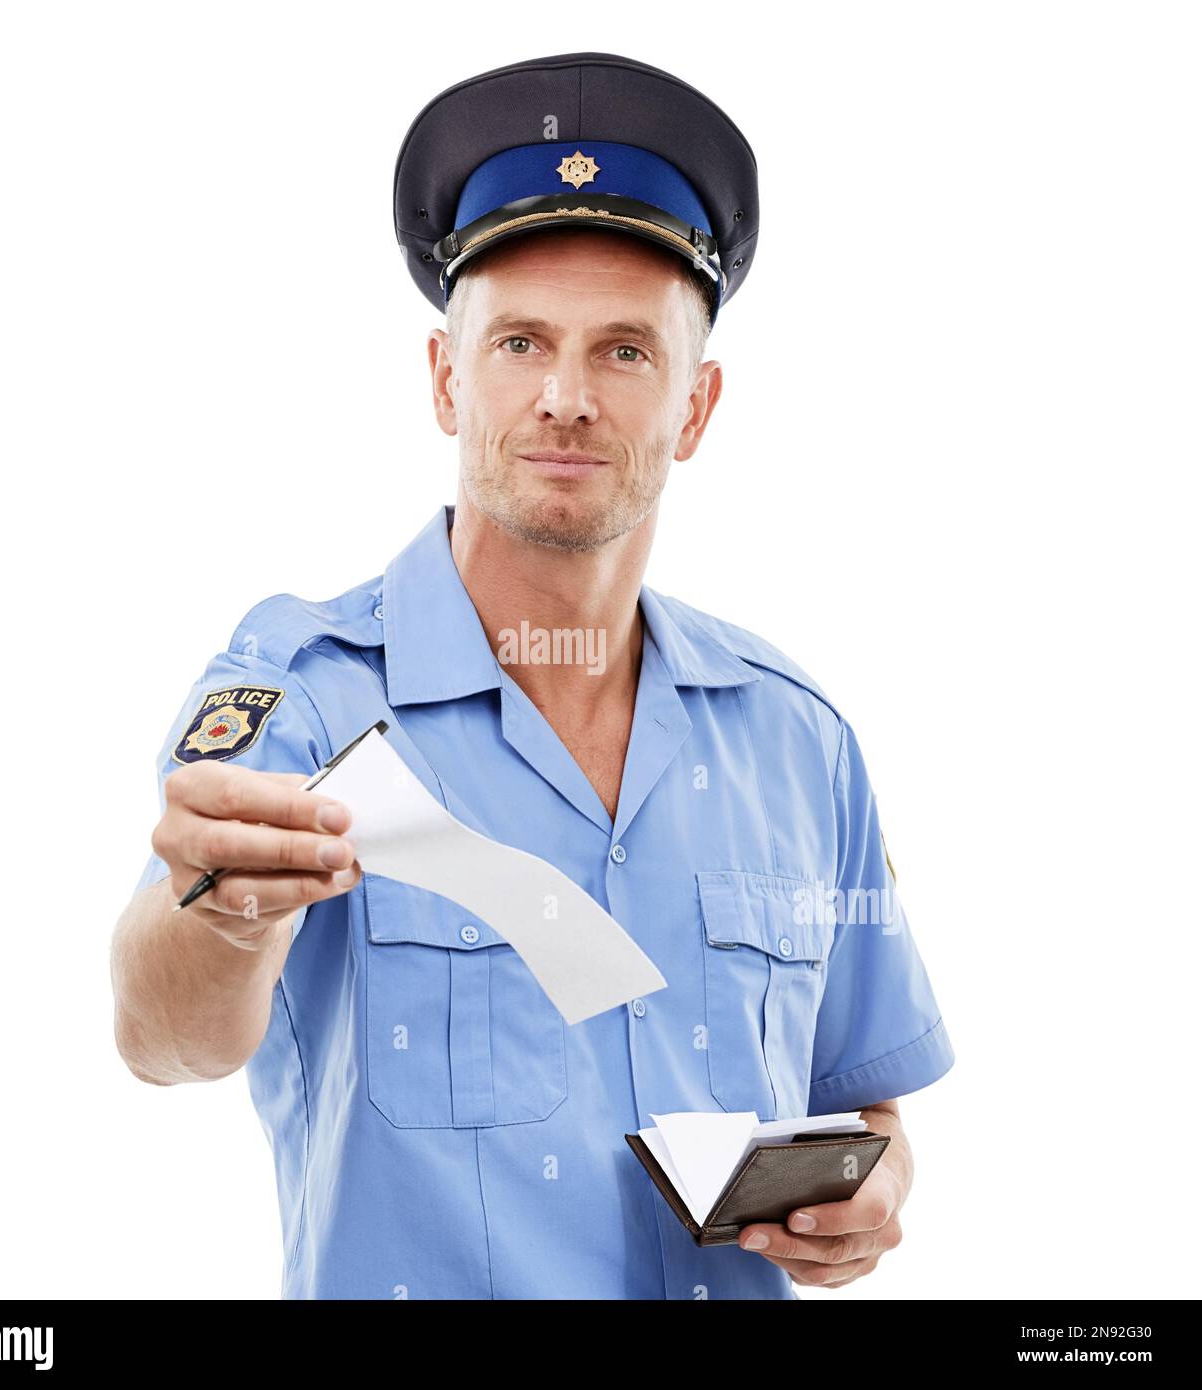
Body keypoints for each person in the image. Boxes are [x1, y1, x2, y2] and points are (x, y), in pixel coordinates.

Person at [110, 51, 954, 1300]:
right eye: (518, 341)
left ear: (697, 406)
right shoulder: (310, 698)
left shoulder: (798, 739)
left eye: (624, 352)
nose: (565, 397)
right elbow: (163, 1038)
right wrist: (220, 905)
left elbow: (859, 1104)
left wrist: (876, 1188)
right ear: (448, 380)